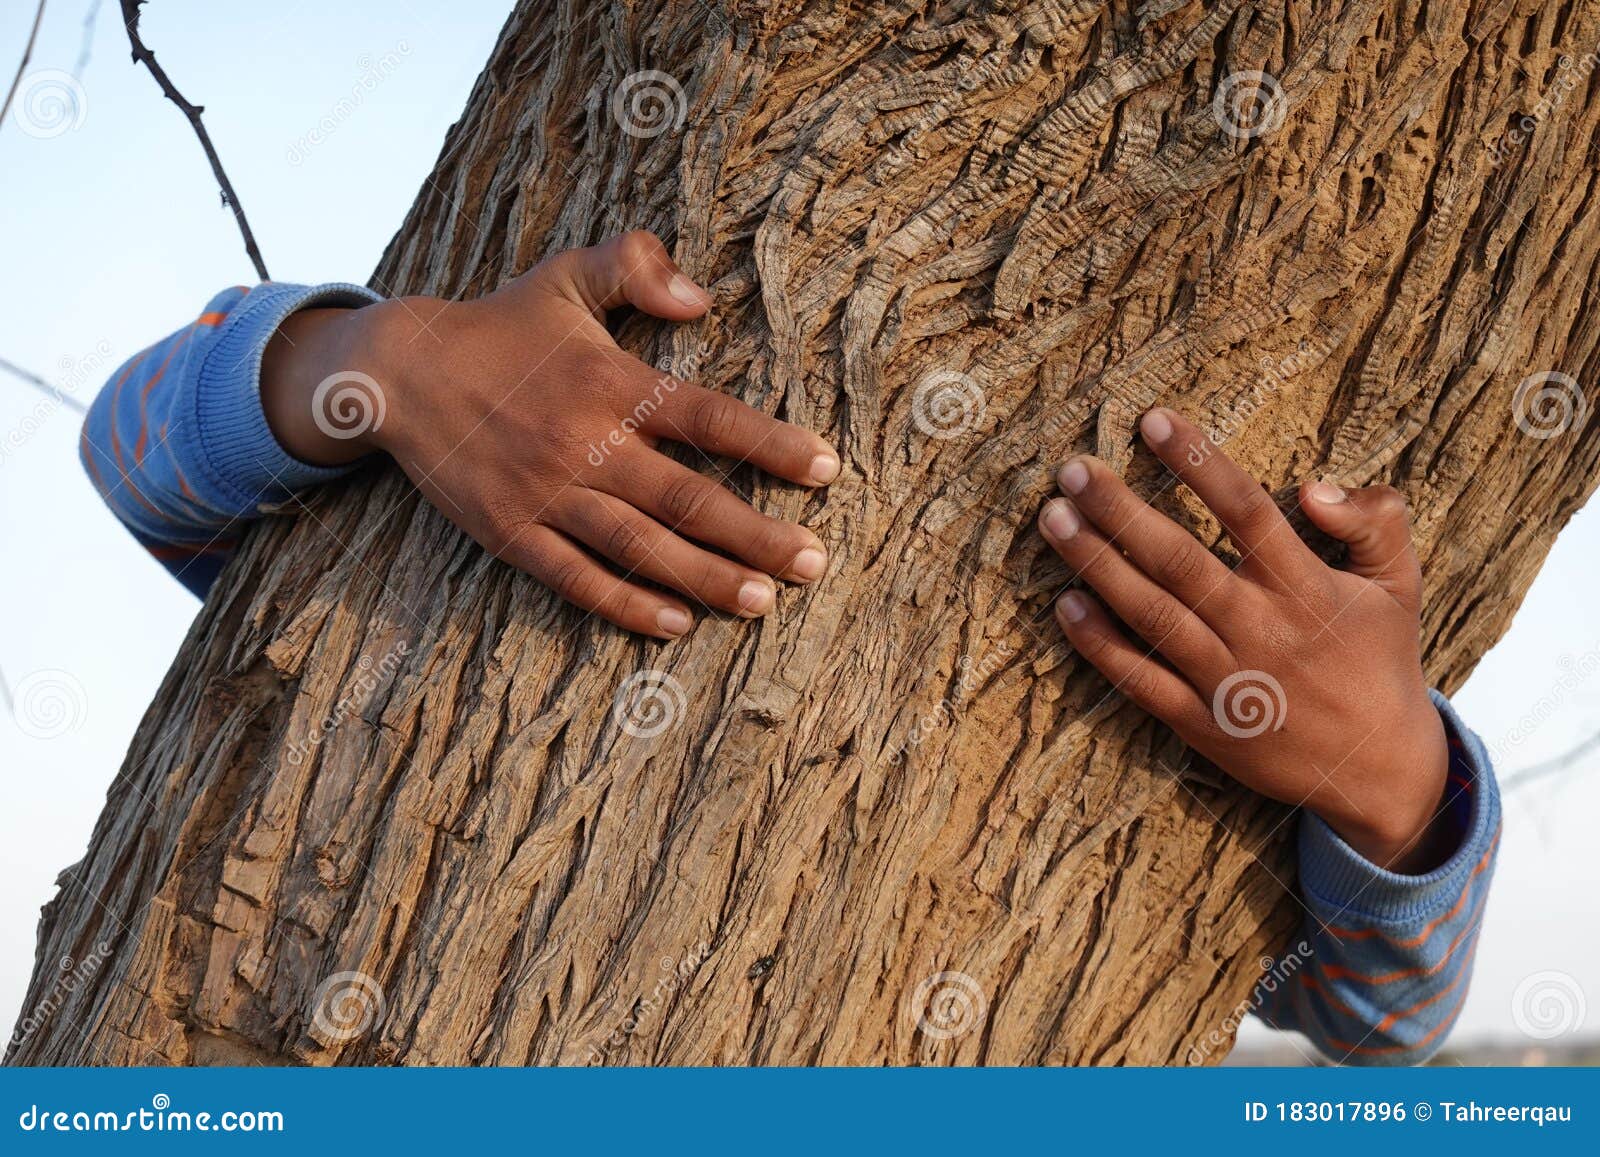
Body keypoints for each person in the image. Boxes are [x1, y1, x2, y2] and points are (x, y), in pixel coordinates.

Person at [80, 231, 1499, 1065]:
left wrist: (1395, 777)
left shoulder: (1269, 685)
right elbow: (130, 453)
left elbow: (1379, 1023)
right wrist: (379, 360)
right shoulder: (435, 446)